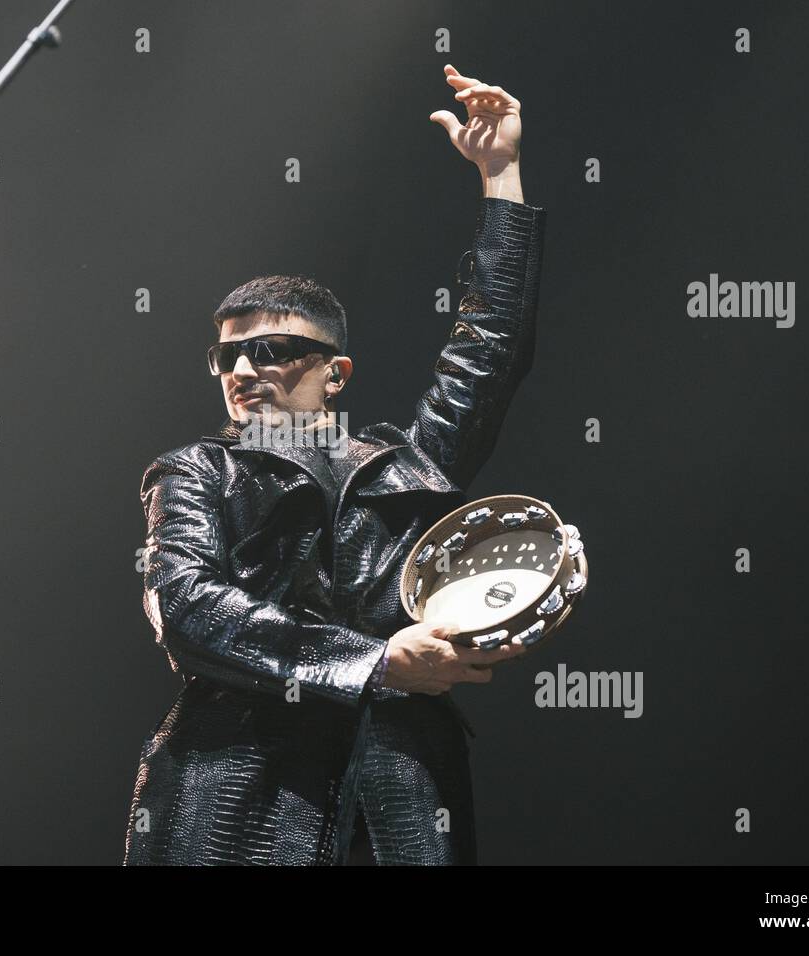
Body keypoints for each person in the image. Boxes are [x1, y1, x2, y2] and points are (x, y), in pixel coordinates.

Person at [124, 64, 546, 865]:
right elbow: (186, 607)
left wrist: (501, 178)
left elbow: (491, 352)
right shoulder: (195, 471)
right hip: (240, 793)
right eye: (227, 356)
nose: (244, 371)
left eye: (272, 351)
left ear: (336, 373)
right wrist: (377, 661)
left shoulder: (403, 459)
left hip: (402, 792)